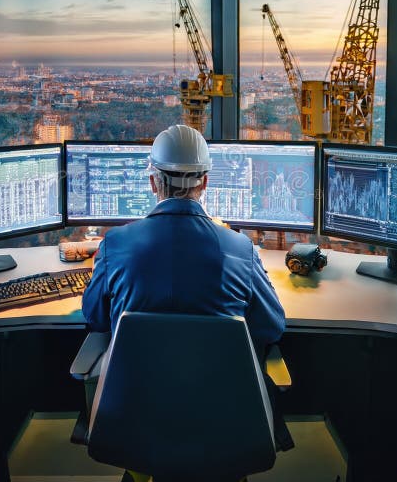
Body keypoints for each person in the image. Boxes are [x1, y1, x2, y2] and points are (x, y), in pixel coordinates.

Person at [81, 125, 292, 460]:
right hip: (226, 422)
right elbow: (271, 327)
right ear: (205, 182)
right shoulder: (240, 249)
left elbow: (95, 319)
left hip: (134, 421)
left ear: (153, 182)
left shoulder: (115, 245)